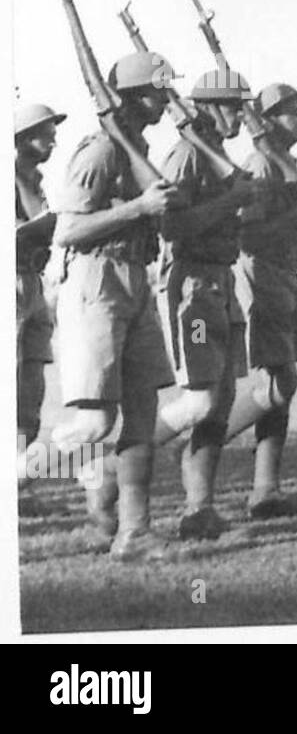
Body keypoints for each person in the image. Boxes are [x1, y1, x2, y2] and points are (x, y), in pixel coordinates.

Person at [49, 52, 186, 561]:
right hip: (95, 281)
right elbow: (68, 230)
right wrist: (140, 208)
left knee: (143, 414)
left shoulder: (136, 148)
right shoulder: (103, 150)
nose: (165, 99)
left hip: (133, 278)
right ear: (132, 96)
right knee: (93, 427)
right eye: (157, 91)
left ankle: (135, 534)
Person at [147, 68, 259, 539]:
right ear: (211, 107)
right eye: (235, 105)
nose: (241, 114)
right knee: (201, 401)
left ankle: (200, 509)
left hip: (220, 281)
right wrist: (231, 199)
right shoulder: (188, 156)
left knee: (221, 403)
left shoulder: (217, 155)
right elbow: (170, 228)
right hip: (191, 283)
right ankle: (112, 472)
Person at [224, 83, 297, 517]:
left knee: (282, 386)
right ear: (267, 120)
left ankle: (266, 490)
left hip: (284, 273)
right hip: (262, 272)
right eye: (290, 113)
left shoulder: (282, 164)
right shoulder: (262, 165)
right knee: (277, 384)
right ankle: (197, 445)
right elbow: (246, 237)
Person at [15, 102, 65, 513]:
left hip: (32, 284)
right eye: (43, 131)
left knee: (30, 391)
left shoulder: (35, 180)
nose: (52, 138)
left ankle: (17, 488)